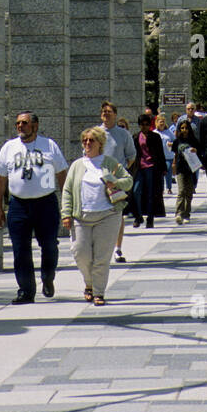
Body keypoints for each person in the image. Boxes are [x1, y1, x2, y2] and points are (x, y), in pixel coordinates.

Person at [0, 110, 68, 305]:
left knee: (50, 245)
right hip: (18, 204)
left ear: (35, 126)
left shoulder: (49, 145)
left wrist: (67, 204)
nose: (20, 126)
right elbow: (0, 179)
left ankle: (47, 277)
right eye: (18, 123)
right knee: (20, 249)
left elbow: (62, 175)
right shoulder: (9, 147)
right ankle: (26, 291)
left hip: (46, 203)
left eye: (24, 123)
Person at [62, 127, 133, 306]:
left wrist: (115, 181)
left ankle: (98, 292)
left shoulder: (110, 162)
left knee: (102, 257)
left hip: (108, 215)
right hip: (81, 217)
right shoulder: (77, 165)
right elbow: (67, 190)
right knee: (80, 253)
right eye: (84, 140)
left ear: (100, 143)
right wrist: (66, 214)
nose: (87, 143)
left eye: (91, 140)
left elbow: (129, 181)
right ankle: (89, 283)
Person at [100, 100, 136, 264]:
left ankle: (117, 248)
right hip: (98, 181)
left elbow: (131, 156)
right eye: (103, 111)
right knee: (99, 214)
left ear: (115, 114)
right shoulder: (95, 133)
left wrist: (120, 173)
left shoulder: (123, 134)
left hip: (116, 182)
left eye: (109, 112)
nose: (106, 114)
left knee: (117, 214)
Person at [132, 111, 166, 227]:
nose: (145, 126)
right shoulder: (136, 137)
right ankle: (138, 216)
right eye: (142, 124)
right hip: (139, 167)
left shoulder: (155, 137)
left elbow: (161, 153)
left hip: (152, 167)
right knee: (136, 191)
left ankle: (150, 218)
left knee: (151, 193)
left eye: (147, 124)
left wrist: (163, 169)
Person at [173, 118, 201, 223]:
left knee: (189, 191)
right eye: (182, 128)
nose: (184, 130)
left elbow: (200, 152)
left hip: (191, 168)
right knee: (181, 190)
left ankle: (186, 213)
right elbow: (175, 154)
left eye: (186, 128)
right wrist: (174, 165)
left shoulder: (193, 141)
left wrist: (196, 150)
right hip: (180, 168)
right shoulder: (177, 141)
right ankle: (179, 213)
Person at [157, 113, 175, 194]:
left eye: (163, 122)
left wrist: (171, 144)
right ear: (157, 123)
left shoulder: (169, 132)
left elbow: (175, 141)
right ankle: (161, 188)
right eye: (160, 122)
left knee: (168, 171)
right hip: (158, 157)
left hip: (168, 156)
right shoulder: (155, 132)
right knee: (160, 174)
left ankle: (169, 187)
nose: (162, 124)